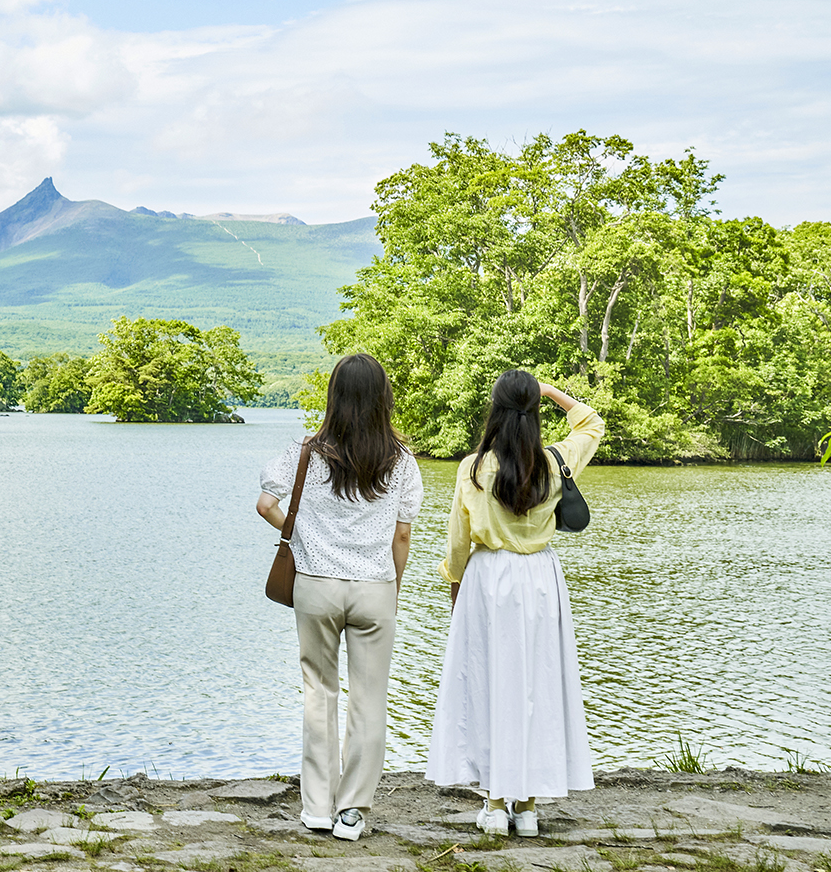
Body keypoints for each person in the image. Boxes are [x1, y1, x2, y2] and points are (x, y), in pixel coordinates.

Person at [426, 371, 605, 838]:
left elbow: (458, 544)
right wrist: (550, 392)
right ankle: (526, 809)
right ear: (533, 412)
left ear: (496, 411)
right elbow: (592, 423)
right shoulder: (554, 462)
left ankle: (495, 804)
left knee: (492, 686)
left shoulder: (473, 468)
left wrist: (454, 586)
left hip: (489, 579)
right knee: (535, 687)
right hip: (541, 580)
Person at [258, 353, 422, 841]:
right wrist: (392, 586)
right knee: (369, 701)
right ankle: (352, 812)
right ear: (383, 398)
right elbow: (402, 536)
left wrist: (301, 536)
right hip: (375, 588)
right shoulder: (401, 460)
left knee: (318, 691)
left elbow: (266, 504)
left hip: (316, 585)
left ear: (334, 396)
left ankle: (316, 808)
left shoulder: (305, 452)